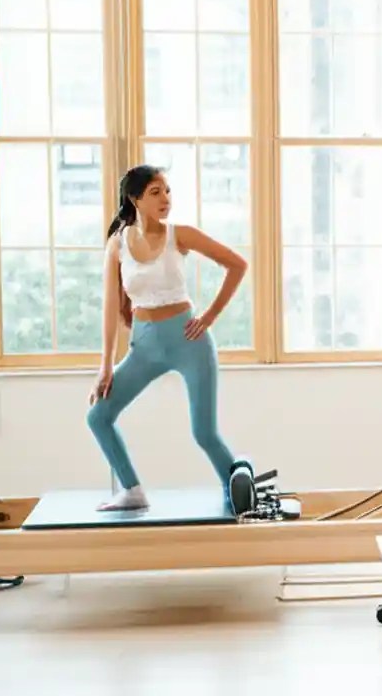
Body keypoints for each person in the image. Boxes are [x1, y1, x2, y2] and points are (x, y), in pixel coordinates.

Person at [86, 164, 248, 512]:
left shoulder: (181, 235)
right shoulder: (117, 245)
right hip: (144, 346)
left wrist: (209, 317)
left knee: (204, 433)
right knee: (98, 416)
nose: (165, 199)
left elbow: (237, 265)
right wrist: (106, 366)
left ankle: (238, 494)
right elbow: (111, 307)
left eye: (168, 191)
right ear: (135, 199)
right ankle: (132, 491)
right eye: (156, 192)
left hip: (188, 342)